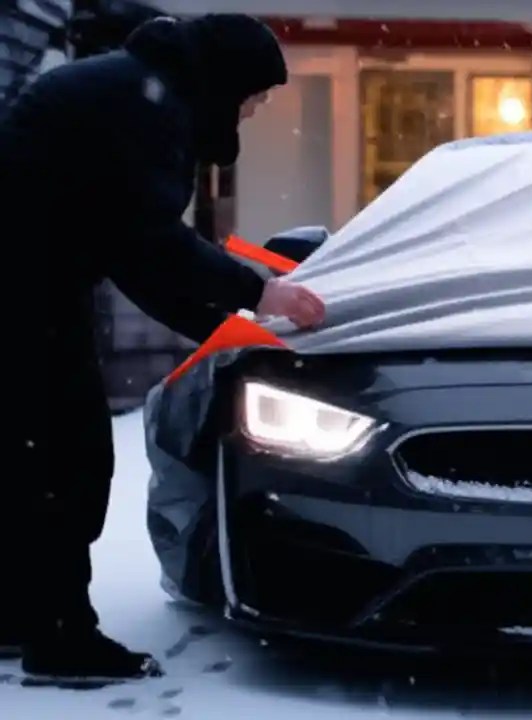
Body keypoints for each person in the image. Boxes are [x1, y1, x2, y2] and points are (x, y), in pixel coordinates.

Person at [0, 14, 324, 682]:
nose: (254, 111)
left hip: (29, 289)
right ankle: (58, 638)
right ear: (227, 79)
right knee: (66, 464)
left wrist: (225, 326)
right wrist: (256, 295)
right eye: (252, 97)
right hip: (22, 294)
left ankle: (22, 616)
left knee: (32, 464)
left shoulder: (134, 88)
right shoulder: (147, 105)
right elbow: (147, 243)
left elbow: (132, 251)